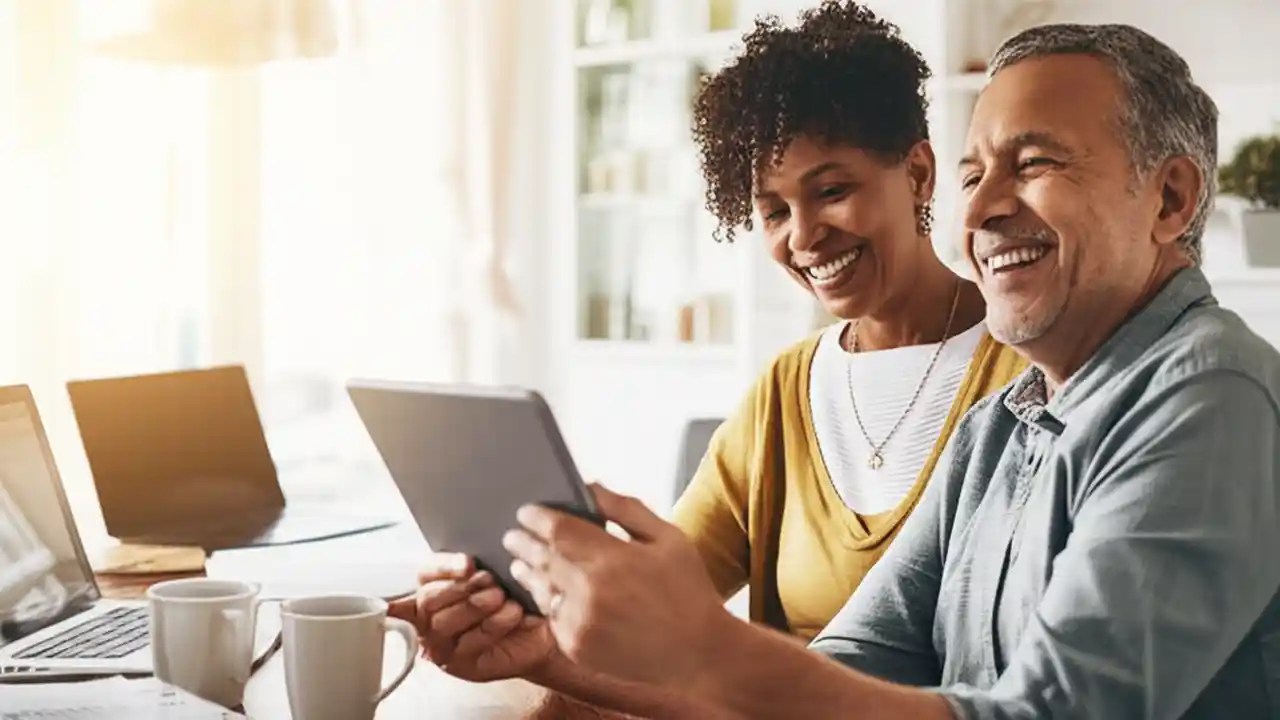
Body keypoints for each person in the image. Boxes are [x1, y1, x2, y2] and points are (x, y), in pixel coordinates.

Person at [489, 21, 1280, 719]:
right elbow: (841, 670)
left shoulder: (1209, 395)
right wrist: (550, 664)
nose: (979, 211)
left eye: (1032, 163)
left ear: (1170, 200)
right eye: (975, 176)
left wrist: (700, 644)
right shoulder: (1000, 427)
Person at [390, 2, 1023, 707]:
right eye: (775, 211)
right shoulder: (783, 394)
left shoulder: (1028, 376)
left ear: (918, 174)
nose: (805, 237)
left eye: (832, 191)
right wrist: (540, 646)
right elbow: (653, 633)